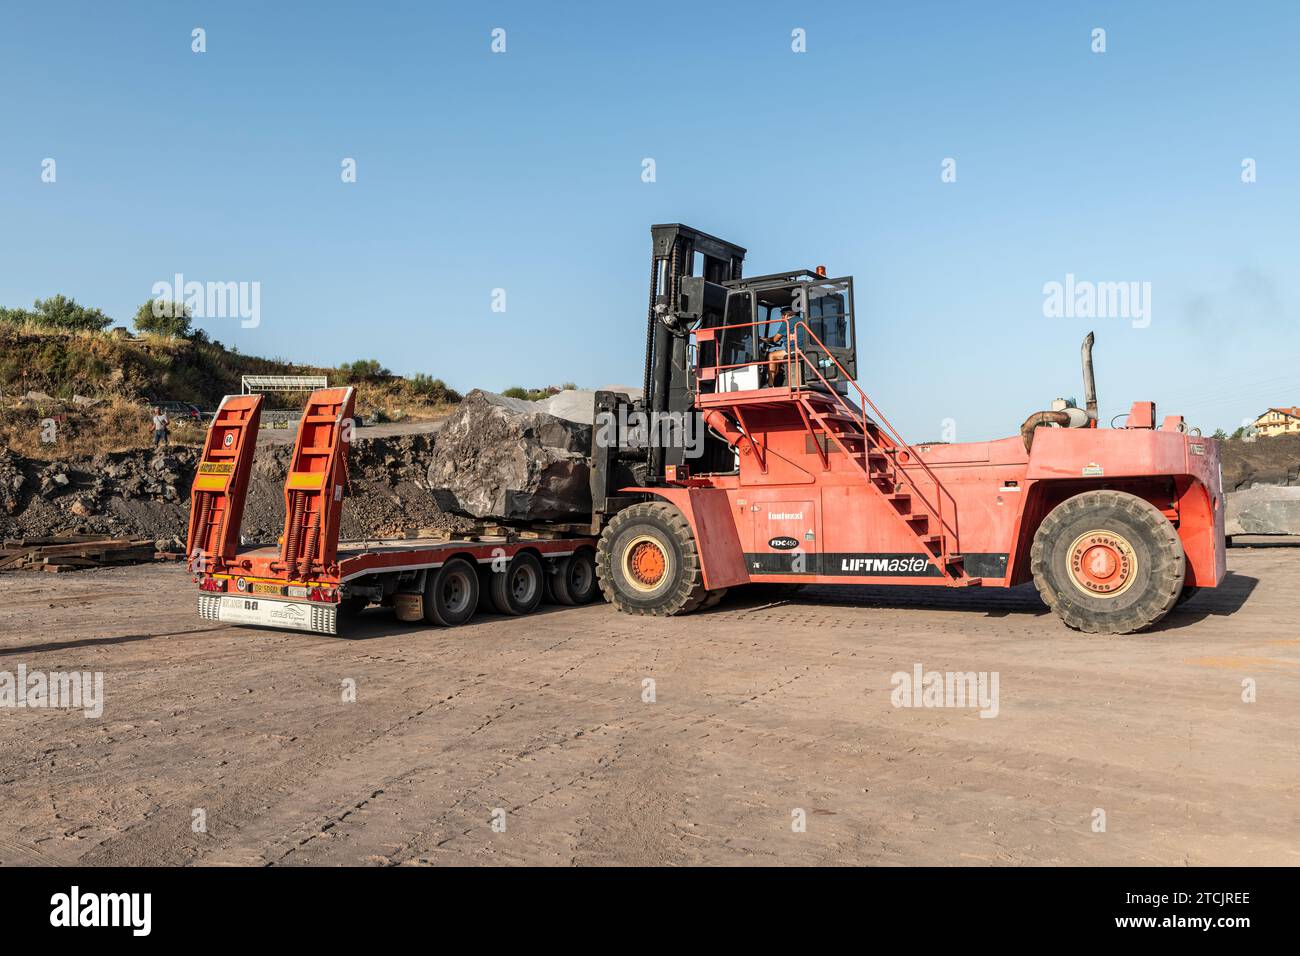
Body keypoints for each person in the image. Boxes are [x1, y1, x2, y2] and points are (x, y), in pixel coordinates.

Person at [761, 309, 797, 387]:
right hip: (800, 349)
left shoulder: (787, 322)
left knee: (772, 355)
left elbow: (775, 339)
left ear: (786, 316)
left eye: (782, 317)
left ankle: (770, 384)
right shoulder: (800, 320)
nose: (781, 319)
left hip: (794, 350)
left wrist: (766, 339)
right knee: (778, 354)